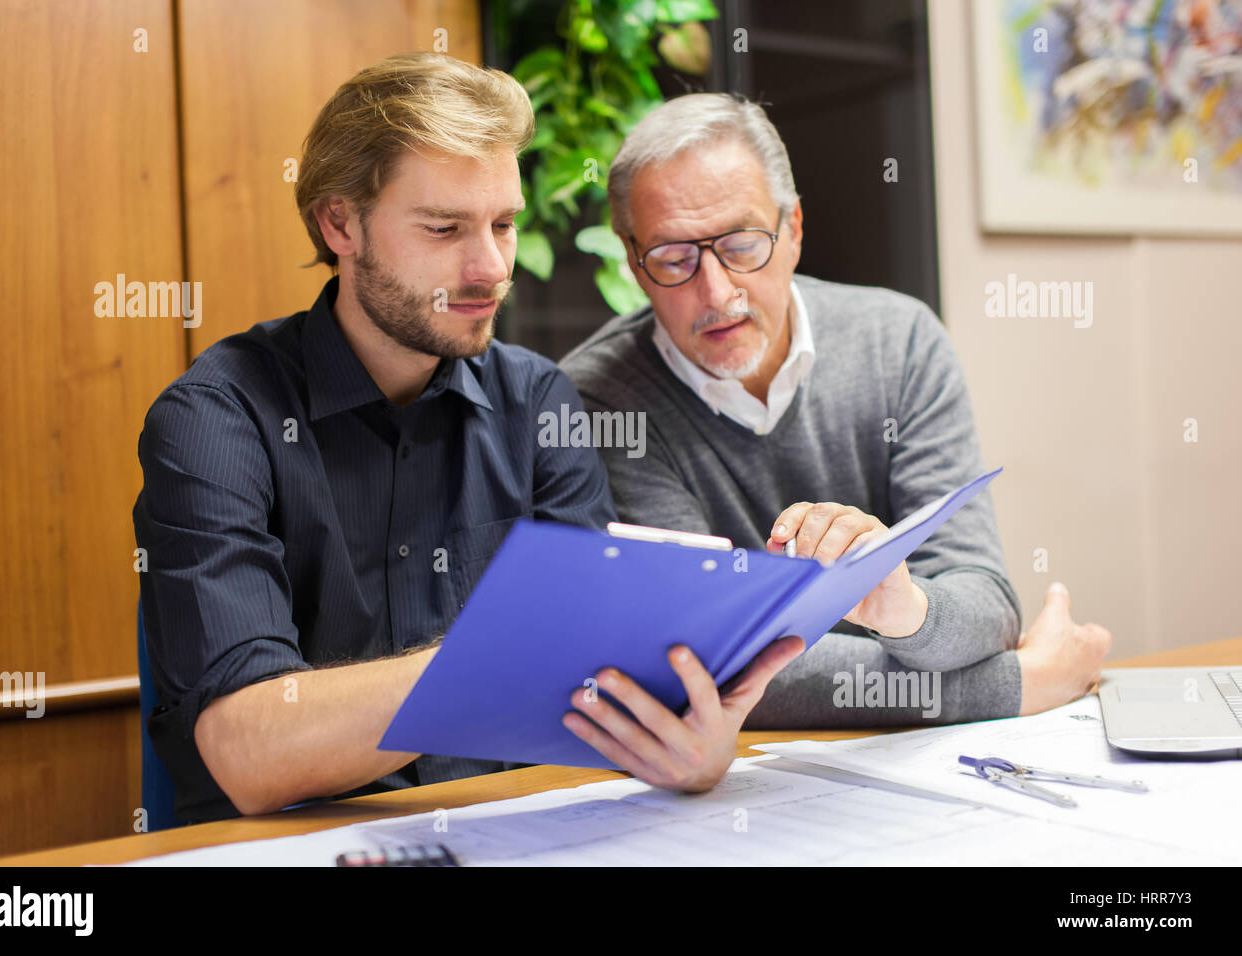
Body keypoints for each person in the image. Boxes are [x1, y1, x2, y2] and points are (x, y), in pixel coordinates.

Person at [133, 56, 802, 824]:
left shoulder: (536, 400)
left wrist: (687, 745)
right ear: (339, 223)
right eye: (445, 227)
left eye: (505, 224)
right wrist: (513, 652)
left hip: (509, 828)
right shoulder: (216, 419)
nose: (490, 267)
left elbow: (593, 681)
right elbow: (251, 751)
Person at [560, 93, 1112, 728]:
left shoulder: (899, 342)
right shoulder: (601, 399)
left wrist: (905, 608)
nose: (718, 292)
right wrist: (1019, 684)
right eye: (673, 259)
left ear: (793, 228)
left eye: (743, 244)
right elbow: (702, 662)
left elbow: (985, 602)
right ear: (633, 263)